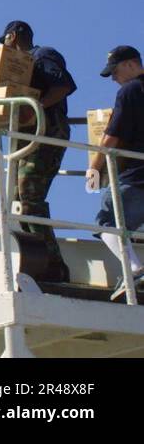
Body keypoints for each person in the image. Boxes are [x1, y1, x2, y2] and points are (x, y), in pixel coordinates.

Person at [0, 21, 76, 282]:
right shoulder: (19, 66)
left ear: (13, 36)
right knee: (19, 198)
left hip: (47, 130)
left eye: (6, 40)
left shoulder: (42, 55)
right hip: (26, 133)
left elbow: (63, 86)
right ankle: (39, 259)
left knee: (30, 195)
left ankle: (54, 264)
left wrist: (35, 107)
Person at [89, 46, 144, 299]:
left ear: (132, 64)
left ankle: (135, 270)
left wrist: (95, 167)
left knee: (108, 221)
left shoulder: (131, 90)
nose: (113, 78)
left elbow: (112, 136)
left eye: (115, 71)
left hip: (137, 175)